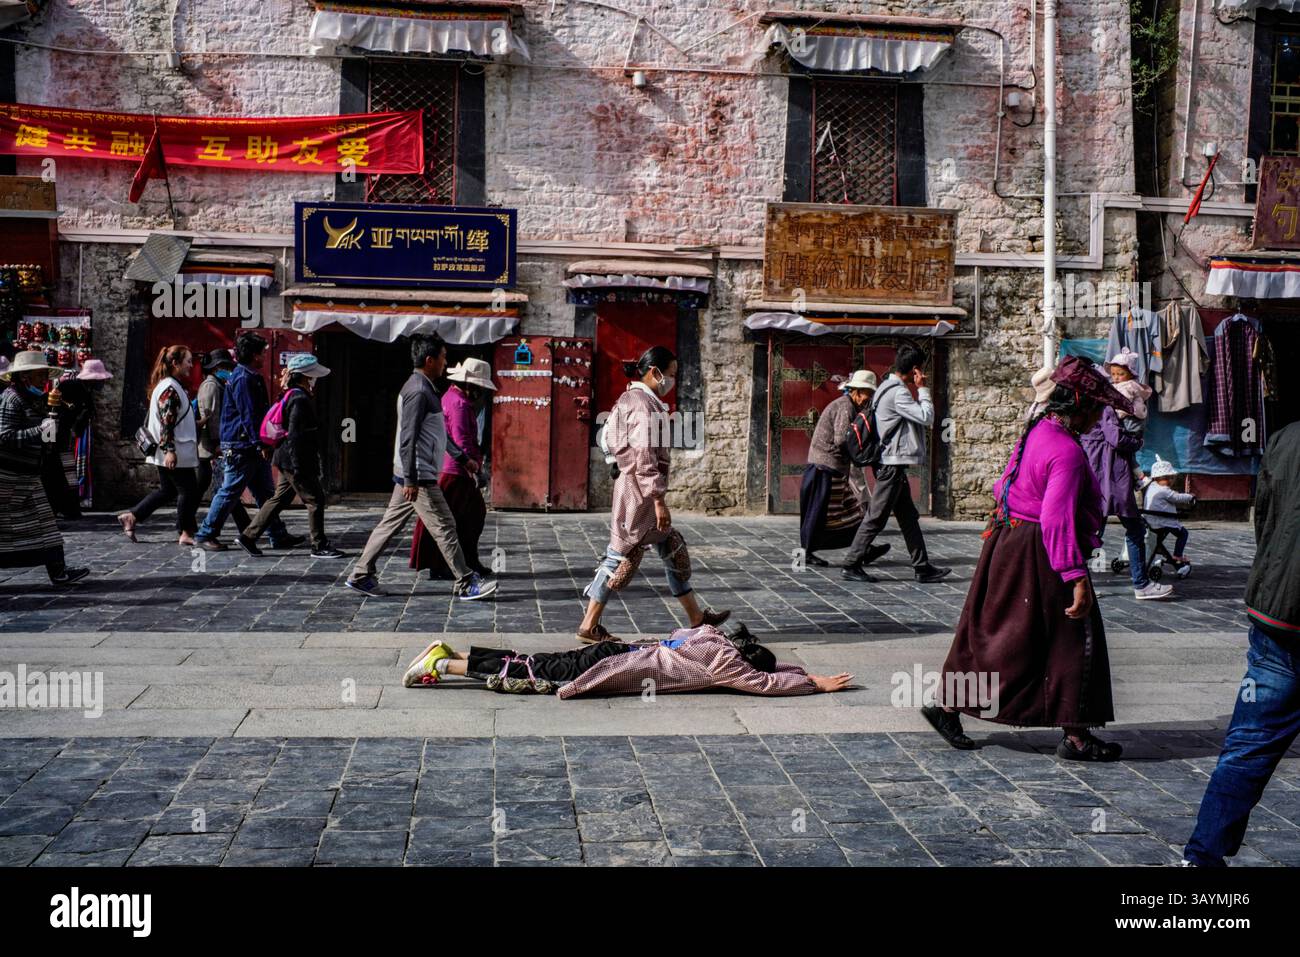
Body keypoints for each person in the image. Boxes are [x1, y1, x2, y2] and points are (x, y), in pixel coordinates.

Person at [922, 356, 1135, 761]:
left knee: (1000, 635)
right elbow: (1056, 519)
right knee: (1073, 639)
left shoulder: (1038, 430)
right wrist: (1075, 576)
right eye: (1096, 411)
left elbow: (1004, 483)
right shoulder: (1068, 453)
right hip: (1040, 551)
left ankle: (950, 705)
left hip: (1007, 542)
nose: (1098, 420)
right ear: (1082, 408)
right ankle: (1075, 737)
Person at [1183, 420, 1300, 866]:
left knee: (1247, 747)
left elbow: (1265, 521)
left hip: (1277, 613)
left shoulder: (1287, 436)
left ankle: (1202, 859)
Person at [575, 345, 730, 643]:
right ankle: (589, 623)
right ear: (654, 372)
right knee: (620, 557)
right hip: (640, 494)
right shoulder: (643, 406)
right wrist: (658, 500)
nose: (671, 381)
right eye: (669, 375)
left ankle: (696, 618)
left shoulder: (633, 399)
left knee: (672, 547)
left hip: (637, 488)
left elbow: (610, 438)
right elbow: (644, 455)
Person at [345, 333, 497, 600]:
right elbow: (408, 438)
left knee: (388, 525)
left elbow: (438, 434)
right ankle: (465, 582)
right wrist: (412, 480)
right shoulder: (418, 391)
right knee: (446, 526)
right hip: (419, 474)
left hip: (410, 473)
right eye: (443, 357)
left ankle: (360, 574)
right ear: (430, 360)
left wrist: (463, 459)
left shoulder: (425, 388)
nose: (444, 363)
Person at [400, 622, 854, 697]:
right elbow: (764, 684)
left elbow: (767, 672)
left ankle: (450, 652)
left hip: (615, 649)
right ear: (746, 663)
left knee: (533, 659)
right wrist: (811, 684)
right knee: (532, 676)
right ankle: (443, 666)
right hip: (609, 666)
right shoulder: (727, 666)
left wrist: (803, 670)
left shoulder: (709, 636)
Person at [841, 344, 950, 584]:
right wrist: (922, 390)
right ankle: (851, 563)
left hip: (892, 464)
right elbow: (926, 417)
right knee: (876, 517)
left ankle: (922, 567)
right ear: (914, 370)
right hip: (891, 464)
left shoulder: (884, 388)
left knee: (908, 517)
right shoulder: (898, 392)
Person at [194, 332, 300, 552]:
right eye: (262, 353)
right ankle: (206, 534)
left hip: (249, 444)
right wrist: (260, 443)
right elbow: (249, 414)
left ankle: (277, 534)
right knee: (230, 492)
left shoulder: (250, 376)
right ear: (254, 355)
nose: (264, 357)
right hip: (242, 446)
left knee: (264, 493)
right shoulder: (243, 378)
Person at [1081, 359, 1173, 601]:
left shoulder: (1085, 410)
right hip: (1115, 478)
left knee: (1093, 533)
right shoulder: (1106, 408)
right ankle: (1141, 584)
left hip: (1096, 480)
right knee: (1134, 530)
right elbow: (1116, 439)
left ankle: (1077, 584)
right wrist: (1138, 443)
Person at [237, 354, 344, 559]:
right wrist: (299, 466)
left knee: (279, 499)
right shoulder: (300, 399)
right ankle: (319, 545)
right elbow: (295, 435)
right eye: (313, 375)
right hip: (295, 460)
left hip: (285, 458)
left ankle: (248, 537)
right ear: (305, 376)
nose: (315, 379)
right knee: (315, 500)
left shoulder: (291, 394)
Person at [0, 351, 88, 585]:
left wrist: (51, 430)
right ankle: (58, 571)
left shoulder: (33, 399)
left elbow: (44, 435)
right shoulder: (12, 399)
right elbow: (4, 436)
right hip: (9, 475)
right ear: (25, 377)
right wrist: (40, 430)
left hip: (28, 474)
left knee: (46, 523)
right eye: (39, 375)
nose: (43, 381)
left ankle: (58, 572)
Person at [408, 357, 496, 578]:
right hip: (456, 470)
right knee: (453, 520)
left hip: (453, 468)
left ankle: (467, 560)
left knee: (471, 516)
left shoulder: (449, 397)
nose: (480, 393)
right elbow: (461, 439)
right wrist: (475, 468)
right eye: (479, 387)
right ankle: (444, 565)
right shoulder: (459, 404)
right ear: (470, 385)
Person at [798, 369, 887, 568]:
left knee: (853, 512)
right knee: (818, 513)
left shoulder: (852, 408)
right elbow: (840, 439)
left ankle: (863, 549)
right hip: (825, 467)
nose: (868, 398)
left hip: (835, 469)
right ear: (856, 391)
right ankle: (804, 553)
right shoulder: (845, 407)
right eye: (867, 393)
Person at [117, 345, 202, 546]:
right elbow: (166, 423)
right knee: (188, 491)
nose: (191, 365)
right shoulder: (170, 389)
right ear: (176, 363)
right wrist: (170, 451)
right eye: (188, 361)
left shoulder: (171, 386)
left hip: (174, 449)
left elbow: (174, 419)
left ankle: (133, 516)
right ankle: (185, 532)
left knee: (168, 491)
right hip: (175, 451)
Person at [39, 358, 112, 518]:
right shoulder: (70, 388)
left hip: (63, 437)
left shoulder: (84, 391)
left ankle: (67, 508)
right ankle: (58, 508)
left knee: (65, 472)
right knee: (55, 472)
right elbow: (51, 411)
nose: (103, 383)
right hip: (53, 436)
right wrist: (50, 439)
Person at [195, 348, 250, 534]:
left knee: (226, 490)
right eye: (225, 366)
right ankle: (193, 526)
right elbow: (212, 417)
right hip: (210, 448)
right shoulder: (211, 385)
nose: (227, 369)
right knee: (215, 490)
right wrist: (218, 443)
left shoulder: (219, 383)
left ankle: (245, 527)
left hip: (215, 447)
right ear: (216, 367)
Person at [1142, 456, 1195, 567]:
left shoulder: (1152, 486)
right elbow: (1177, 497)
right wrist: (1190, 497)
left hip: (1151, 520)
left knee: (1159, 540)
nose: (1170, 482)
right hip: (1163, 521)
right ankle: (1177, 555)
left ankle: (1160, 549)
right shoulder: (1164, 491)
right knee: (1183, 534)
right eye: (1168, 479)